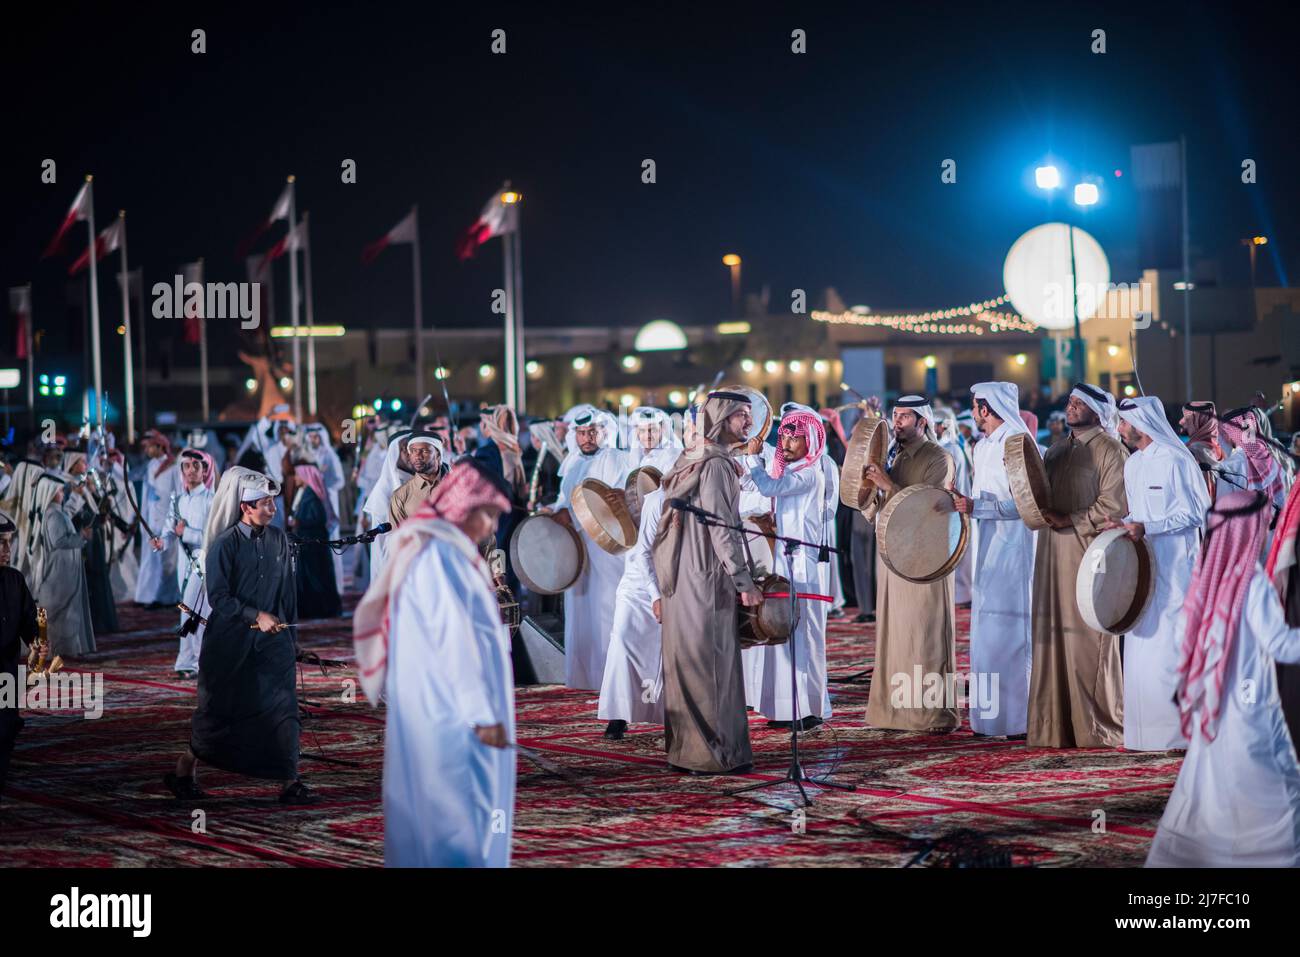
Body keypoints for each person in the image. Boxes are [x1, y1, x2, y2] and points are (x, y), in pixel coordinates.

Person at [354, 460, 514, 866]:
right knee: (456, 818)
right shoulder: (441, 557)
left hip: (436, 708)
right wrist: (482, 714)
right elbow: (454, 641)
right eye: (490, 514)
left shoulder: (442, 548)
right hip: (452, 716)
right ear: (465, 507)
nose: (492, 527)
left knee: (434, 815)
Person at [1147, 491, 1300, 866]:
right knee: (1275, 792)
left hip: (1212, 709)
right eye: (1263, 526)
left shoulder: (1207, 582)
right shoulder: (1252, 586)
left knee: (1209, 791)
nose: (1266, 533)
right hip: (1253, 712)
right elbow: (1281, 645)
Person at [164, 467, 316, 804]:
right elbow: (219, 598)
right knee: (220, 711)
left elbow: (287, 594)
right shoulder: (224, 545)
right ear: (246, 507)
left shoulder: (279, 540)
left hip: (273, 641)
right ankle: (184, 769)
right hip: (231, 642)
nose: (273, 509)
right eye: (265, 504)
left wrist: (292, 639)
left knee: (283, 707)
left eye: (273, 503)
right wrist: (255, 615)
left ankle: (290, 782)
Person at [652, 393, 762, 774]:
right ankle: (718, 755)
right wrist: (743, 579)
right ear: (721, 420)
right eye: (742, 417)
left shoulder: (692, 456)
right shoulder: (715, 465)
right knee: (713, 663)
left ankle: (686, 752)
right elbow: (723, 531)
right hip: (706, 575)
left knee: (687, 662)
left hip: (681, 576)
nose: (749, 424)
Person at [1027, 383, 1128, 748]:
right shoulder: (1055, 450)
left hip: (1089, 554)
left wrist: (1070, 518)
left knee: (1088, 639)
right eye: (1069, 402)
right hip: (1051, 552)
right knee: (1054, 636)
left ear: (1098, 411)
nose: (1070, 408)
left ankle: (1096, 729)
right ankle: (1053, 727)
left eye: (1078, 403)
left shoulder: (1111, 450)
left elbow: (1114, 507)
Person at [1112, 396, 1209, 751]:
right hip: (1143, 565)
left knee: (1171, 644)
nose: (1119, 429)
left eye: (1123, 423)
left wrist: (1147, 526)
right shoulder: (1133, 464)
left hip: (1176, 568)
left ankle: (1177, 733)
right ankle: (1143, 734)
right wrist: (1123, 526)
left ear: (1141, 425)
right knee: (1141, 643)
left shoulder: (1176, 459)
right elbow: (1137, 514)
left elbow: (1197, 513)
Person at [862, 395, 958, 732]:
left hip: (926, 559)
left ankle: (932, 714)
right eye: (896, 415)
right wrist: (868, 493)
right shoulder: (895, 458)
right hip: (892, 555)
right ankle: (894, 712)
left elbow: (929, 507)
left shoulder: (939, 458)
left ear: (923, 422)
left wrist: (887, 484)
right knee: (896, 633)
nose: (898, 422)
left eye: (905, 416)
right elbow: (877, 508)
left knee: (925, 633)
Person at [741, 407, 835, 731]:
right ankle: (785, 708)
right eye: (784, 436)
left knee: (805, 635)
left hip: (806, 566)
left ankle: (810, 709)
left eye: (794, 436)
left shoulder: (810, 473)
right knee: (781, 631)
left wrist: (753, 459)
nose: (787, 442)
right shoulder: (792, 471)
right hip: (786, 559)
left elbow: (769, 487)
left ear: (809, 439)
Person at [950, 383, 1035, 738]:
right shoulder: (983, 445)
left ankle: (1016, 721)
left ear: (986, 409)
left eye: (975, 406)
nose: (973, 412)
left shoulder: (1018, 442)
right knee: (986, 634)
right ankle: (988, 719)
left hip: (1014, 546)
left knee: (1011, 631)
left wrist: (975, 507)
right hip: (987, 545)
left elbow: (1027, 503)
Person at [544, 409, 628, 690]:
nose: (587, 438)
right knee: (579, 610)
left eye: (593, 432)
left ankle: (609, 681)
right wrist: (554, 510)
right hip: (577, 548)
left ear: (605, 432)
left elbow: (611, 504)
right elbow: (563, 498)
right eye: (581, 433)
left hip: (605, 550)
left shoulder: (616, 459)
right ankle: (583, 680)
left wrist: (572, 517)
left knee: (605, 610)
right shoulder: (572, 462)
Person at [154, 448, 216, 678]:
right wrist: (161, 541)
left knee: (199, 612)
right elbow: (169, 531)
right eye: (186, 466)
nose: (191, 471)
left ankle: (196, 662)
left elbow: (214, 536)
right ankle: (189, 662)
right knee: (188, 611)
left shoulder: (212, 500)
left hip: (204, 562)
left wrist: (186, 532)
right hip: (184, 563)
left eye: (196, 467)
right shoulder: (177, 500)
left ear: (205, 470)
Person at [29, 475, 95, 659]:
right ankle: (55, 650)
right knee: (58, 612)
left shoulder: (58, 512)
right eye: (58, 491)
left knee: (66, 612)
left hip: (65, 569)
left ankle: (66, 649)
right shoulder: (53, 515)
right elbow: (59, 540)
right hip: (59, 571)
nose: (61, 494)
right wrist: (81, 536)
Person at [0, 512, 39, 802]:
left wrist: (37, 641)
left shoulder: (14, 580)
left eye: (8, 542)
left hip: (7, 671)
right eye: (0, 543)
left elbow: (29, 621)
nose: (6, 549)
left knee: (5, 729)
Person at [287, 451, 342, 620]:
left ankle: (319, 609)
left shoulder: (311, 496)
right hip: (307, 544)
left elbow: (318, 518)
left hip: (313, 545)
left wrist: (299, 523)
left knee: (316, 578)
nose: (295, 479)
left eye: (297, 475)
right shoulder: (304, 493)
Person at [134, 430, 180, 609]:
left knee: (168, 562)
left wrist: (176, 520)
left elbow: (178, 494)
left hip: (168, 521)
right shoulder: (150, 466)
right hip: (151, 521)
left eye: (149, 447)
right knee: (153, 562)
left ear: (160, 446)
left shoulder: (174, 467)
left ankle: (167, 598)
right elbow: (146, 495)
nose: (146, 450)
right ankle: (151, 595)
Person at [935, 406, 973, 607]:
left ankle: (962, 594)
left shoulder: (951, 449)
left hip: (954, 506)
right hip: (950, 507)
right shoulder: (950, 447)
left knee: (957, 552)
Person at [304, 423, 346, 591]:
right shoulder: (307, 455)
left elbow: (340, 481)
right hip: (313, 506)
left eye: (316, 436)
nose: (313, 439)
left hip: (328, 503)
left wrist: (323, 483)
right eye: (311, 437)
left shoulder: (330, 455)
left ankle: (337, 586)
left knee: (332, 542)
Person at [389, 433, 445, 527]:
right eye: (413, 451)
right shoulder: (401, 496)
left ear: (438, 454)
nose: (418, 456)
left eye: (425, 451)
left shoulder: (457, 484)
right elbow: (398, 536)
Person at [1179, 401, 1225, 502]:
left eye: (1188, 419)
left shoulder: (1192, 451)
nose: (1181, 422)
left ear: (1199, 422)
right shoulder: (1218, 448)